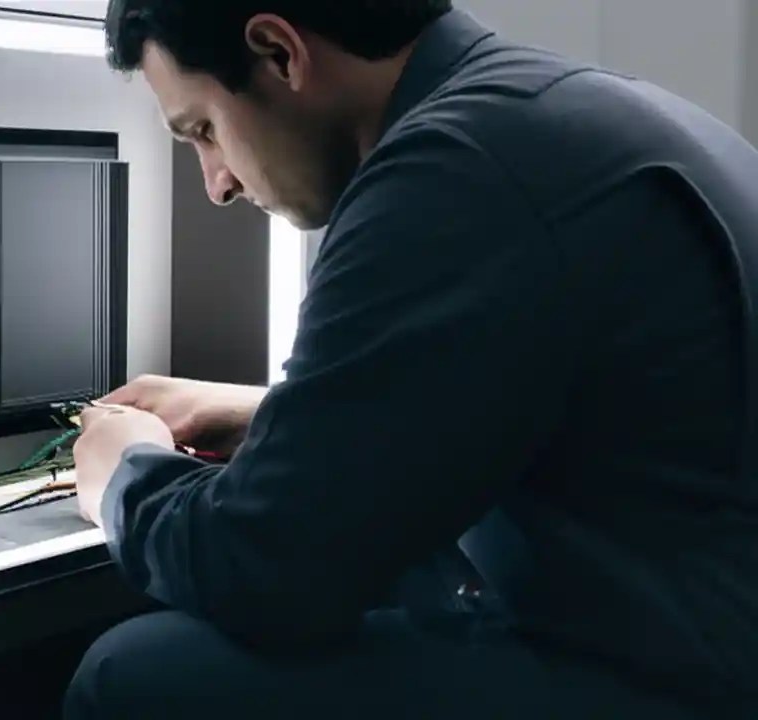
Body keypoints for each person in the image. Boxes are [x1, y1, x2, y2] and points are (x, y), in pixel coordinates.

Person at [64, 1, 758, 718]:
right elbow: (545, 405)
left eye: (203, 130)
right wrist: (273, 418)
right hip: (694, 631)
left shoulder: (453, 169)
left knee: (133, 675)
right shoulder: (561, 112)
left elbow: (262, 570)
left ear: (279, 52)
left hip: (674, 683)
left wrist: (126, 476)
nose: (217, 183)